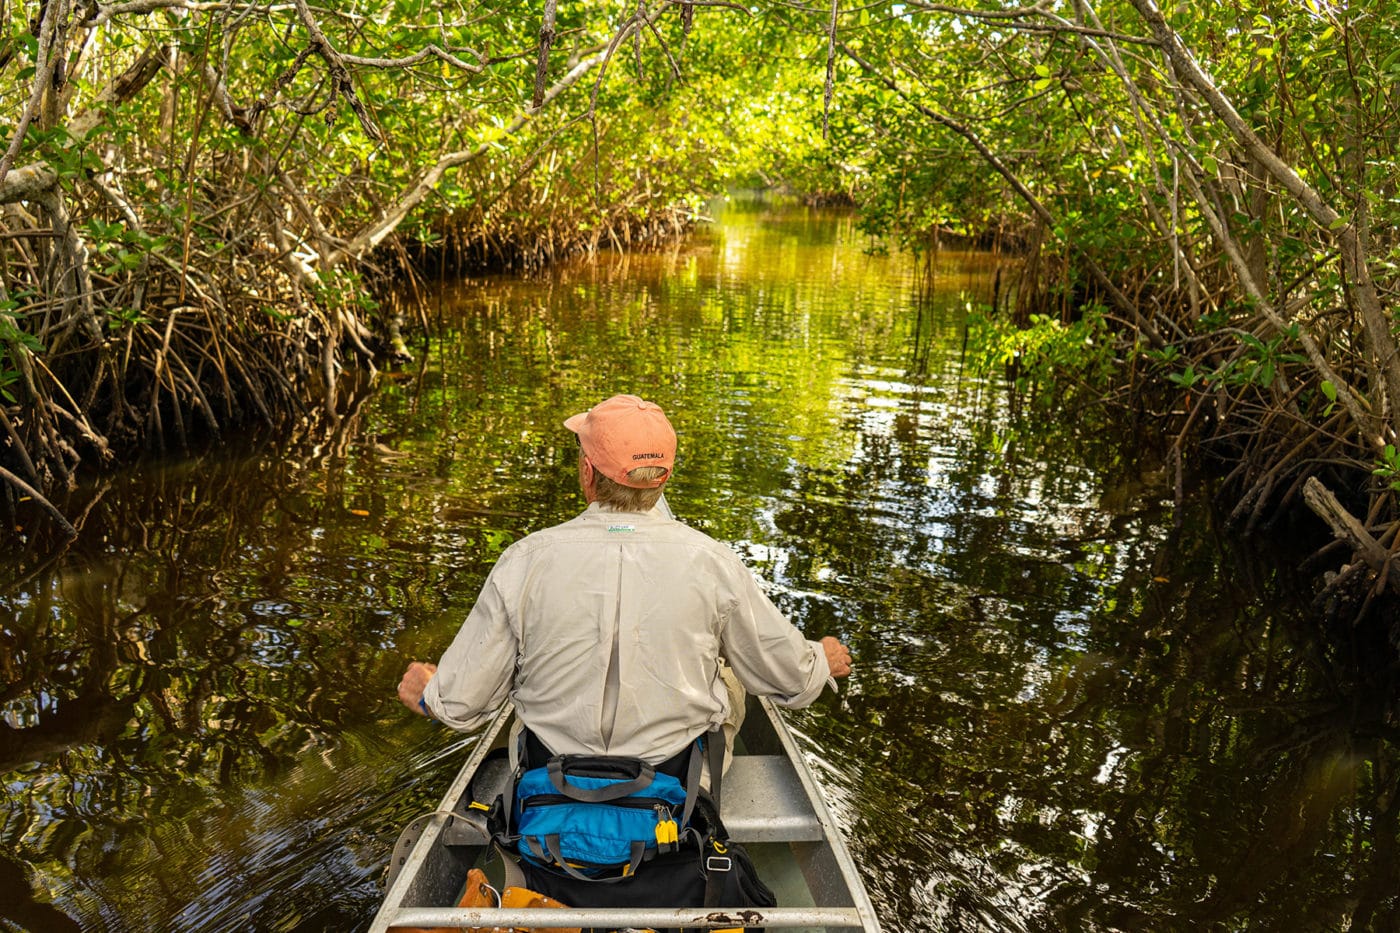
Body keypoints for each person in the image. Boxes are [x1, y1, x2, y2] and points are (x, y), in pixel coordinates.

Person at [396, 393, 852, 771]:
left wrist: (428, 692)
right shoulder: (714, 562)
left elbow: (460, 707)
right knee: (732, 672)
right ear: (663, 480)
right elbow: (788, 680)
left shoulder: (524, 561)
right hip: (674, 789)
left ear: (588, 473)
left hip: (552, 779)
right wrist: (820, 659)